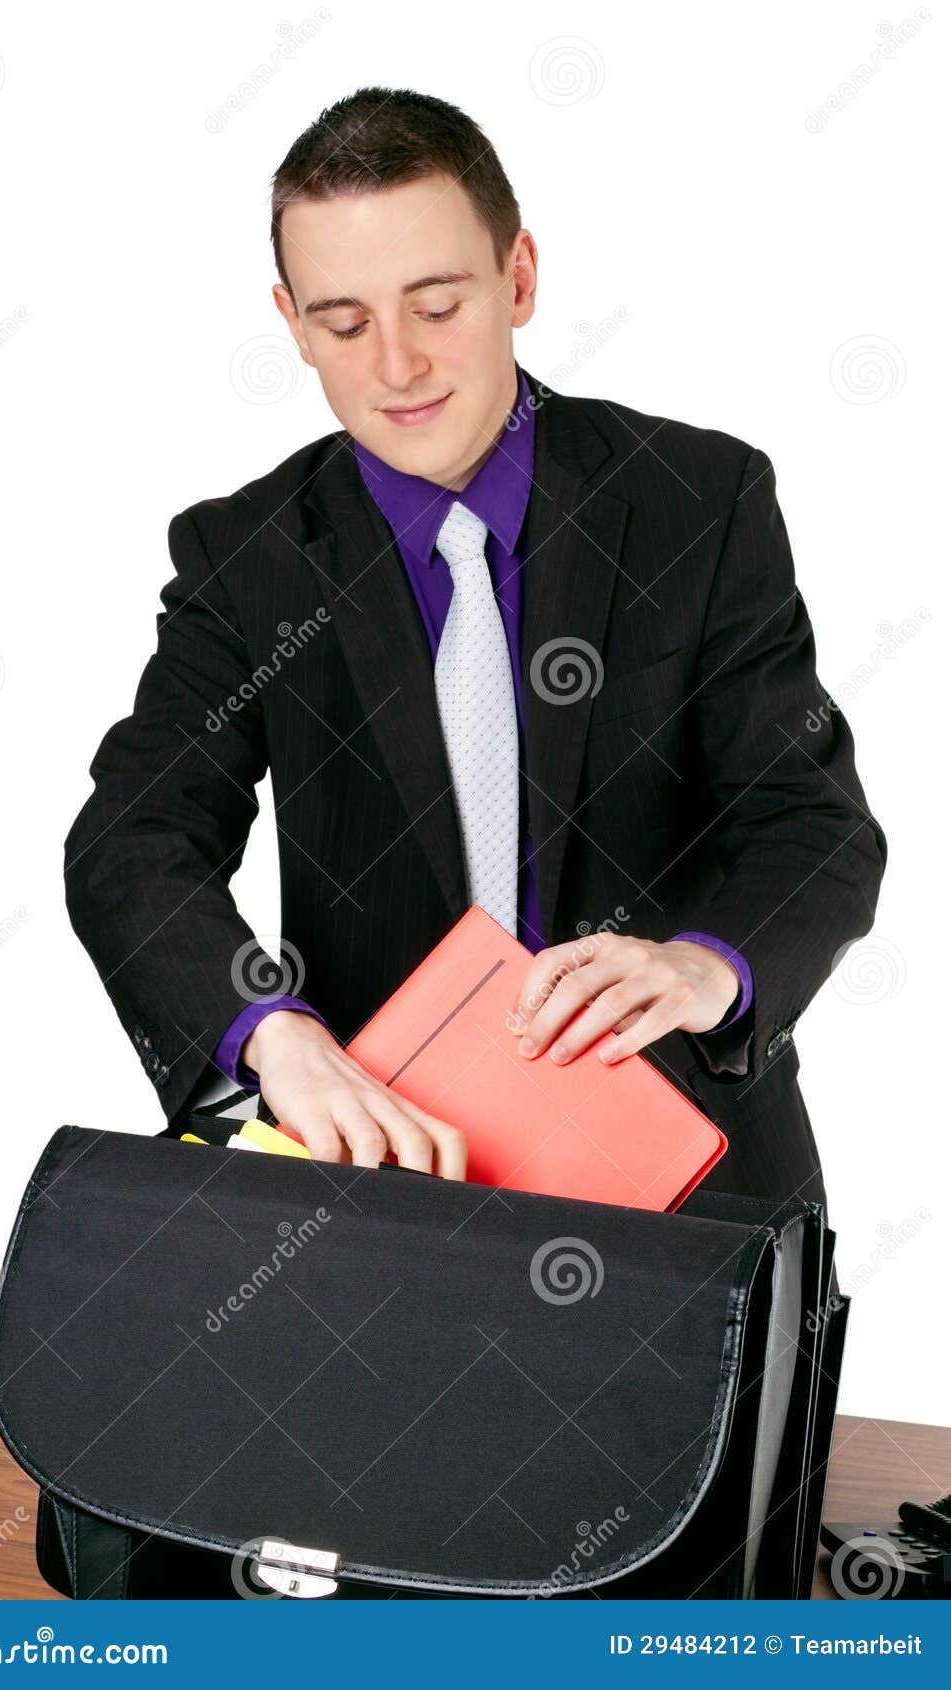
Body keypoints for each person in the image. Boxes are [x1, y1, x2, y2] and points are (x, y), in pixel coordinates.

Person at [64, 87, 887, 1208]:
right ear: (292, 322)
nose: (396, 365)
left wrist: (703, 968)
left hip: (691, 1174)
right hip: (383, 1176)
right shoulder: (246, 554)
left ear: (518, 277)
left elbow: (811, 825)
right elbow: (132, 840)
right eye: (344, 323)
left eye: (437, 304)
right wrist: (268, 1038)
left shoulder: (697, 500)